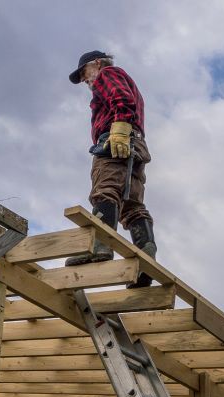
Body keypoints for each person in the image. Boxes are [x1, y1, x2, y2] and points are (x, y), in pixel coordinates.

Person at [66, 50, 156, 288]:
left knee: (104, 191)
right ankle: (146, 262)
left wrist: (119, 129)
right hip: (135, 144)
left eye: (85, 73)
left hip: (115, 140)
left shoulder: (108, 73)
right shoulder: (123, 79)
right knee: (132, 205)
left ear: (96, 63)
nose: (86, 80)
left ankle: (100, 247)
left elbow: (120, 98)